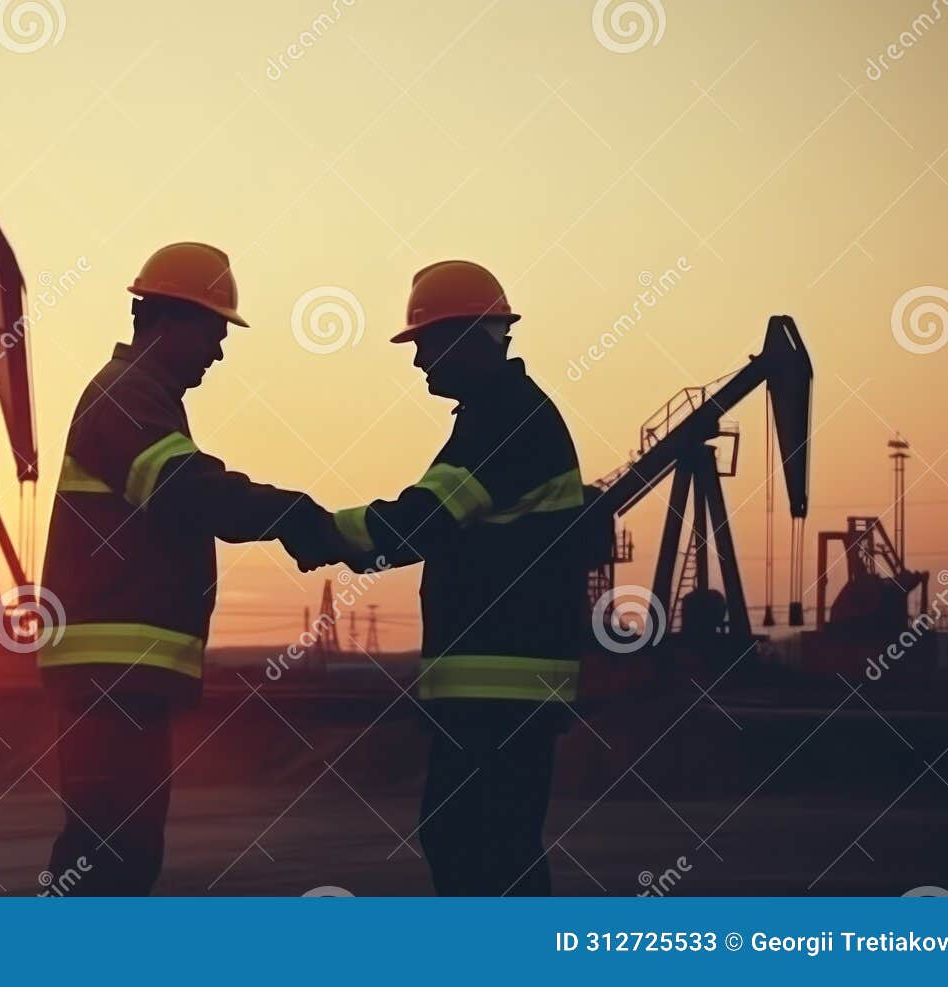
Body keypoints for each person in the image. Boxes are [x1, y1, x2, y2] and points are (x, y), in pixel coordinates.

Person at [37, 241, 334, 895]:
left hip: (123, 680)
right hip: (111, 680)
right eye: (215, 331)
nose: (219, 351)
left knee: (118, 856)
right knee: (110, 860)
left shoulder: (142, 397)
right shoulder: (124, 396)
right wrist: (296, 515)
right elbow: (186, 490)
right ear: (170, 322)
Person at [298, 260, 589, 895]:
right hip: (500, 692)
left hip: (501, 694)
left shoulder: (504, 419)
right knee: (478, 842)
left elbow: (417, 524)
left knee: (477, 844)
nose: (417, 361)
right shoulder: (502, 413)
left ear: (464, 338)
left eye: (425, 343)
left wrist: (320, 530)